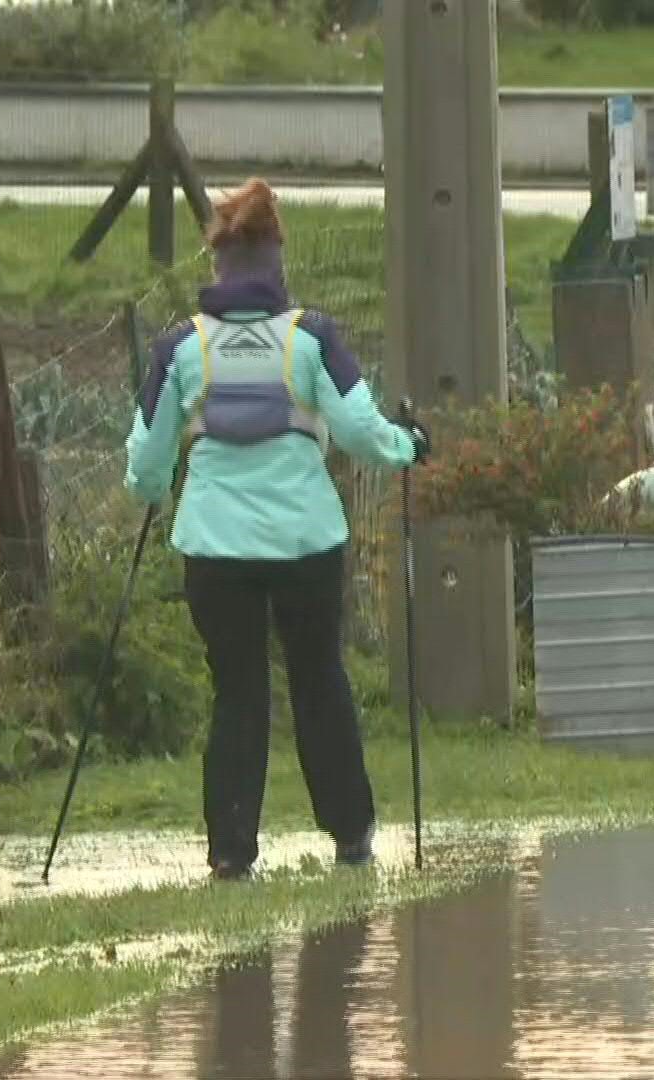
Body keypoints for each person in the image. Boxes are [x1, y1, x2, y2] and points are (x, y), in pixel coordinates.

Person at [124, 179, 431, 882]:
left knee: (237, 691)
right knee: (319, 679)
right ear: (277, 259)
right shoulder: (310, 337)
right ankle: (351, 838)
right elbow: (360, 431)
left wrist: (149, 490)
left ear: (218, 264)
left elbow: (145, 459)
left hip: (213, 546)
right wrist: (408, 447)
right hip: (306, 544)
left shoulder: (181, 347)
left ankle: (232, 850)